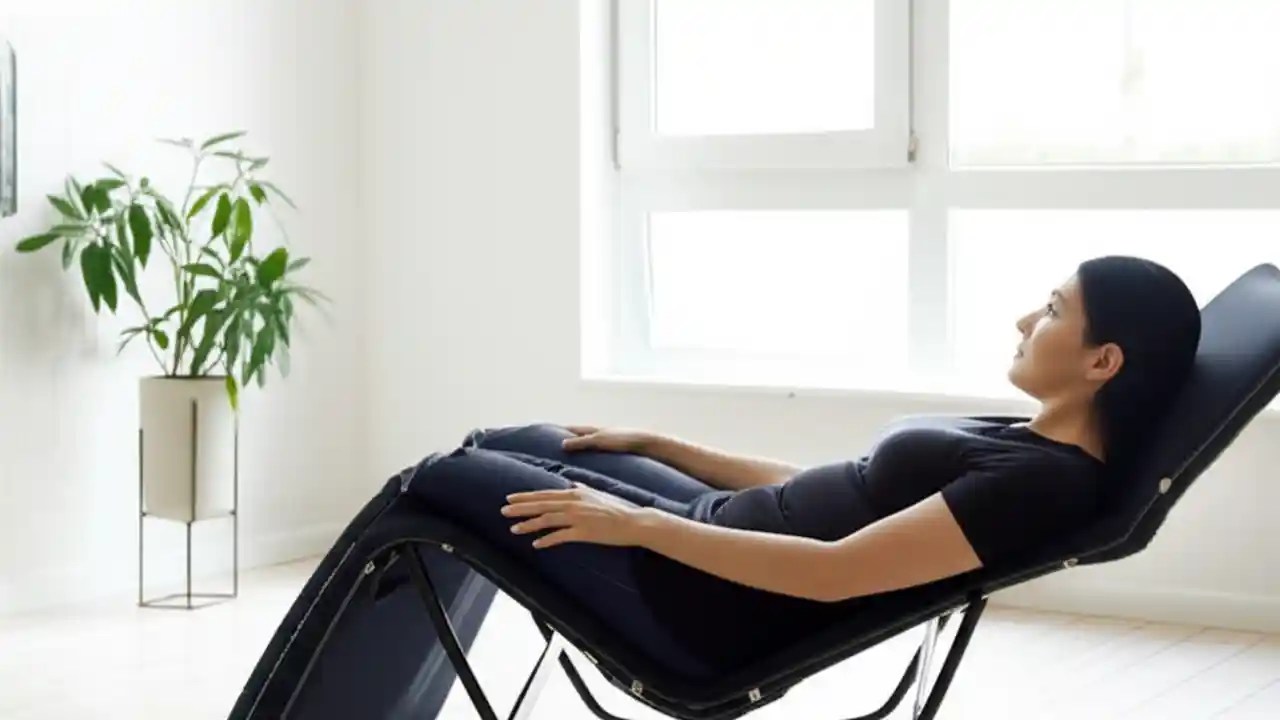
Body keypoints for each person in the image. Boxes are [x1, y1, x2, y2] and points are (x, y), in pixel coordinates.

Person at [406, 255, 1202, 676]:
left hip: (694, 603)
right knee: (513, 443)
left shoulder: (1043, 482)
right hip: (700, 533)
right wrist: (663, 446)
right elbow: (825, 490)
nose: (1027, 319)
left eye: (1055, 309)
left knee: (439, 484)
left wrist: (637, 525)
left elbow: (834, 571)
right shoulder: (1026, 443)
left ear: (1102, 361)